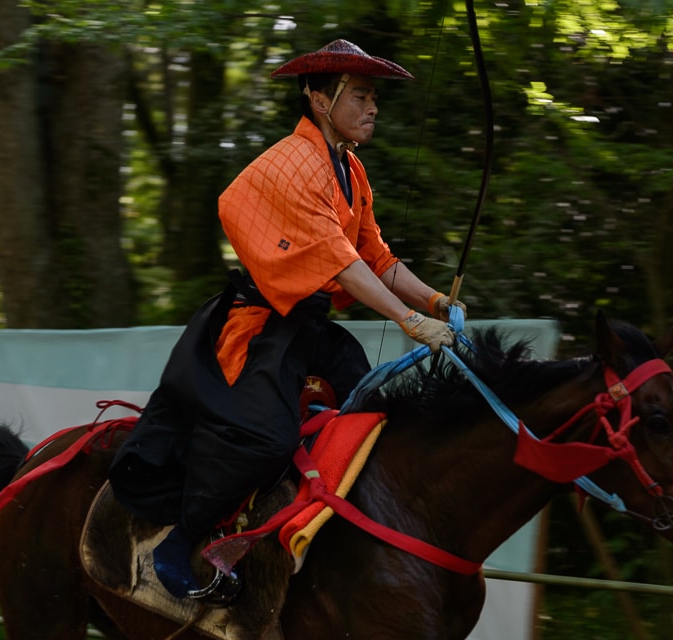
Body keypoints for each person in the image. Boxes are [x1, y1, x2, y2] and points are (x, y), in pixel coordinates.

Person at [109, 39, 465, 600]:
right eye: (363, 97)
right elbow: (342, 264)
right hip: (259, 325)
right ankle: (180, 544)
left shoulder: (350, 168)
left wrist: (435, 304)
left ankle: (322, 531)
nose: (374, 108)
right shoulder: (294, 165)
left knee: (369, 399)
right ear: (322, 102)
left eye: (375, 98)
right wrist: (406, 319)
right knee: (264, 439)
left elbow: (376, 259)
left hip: (307, 325)